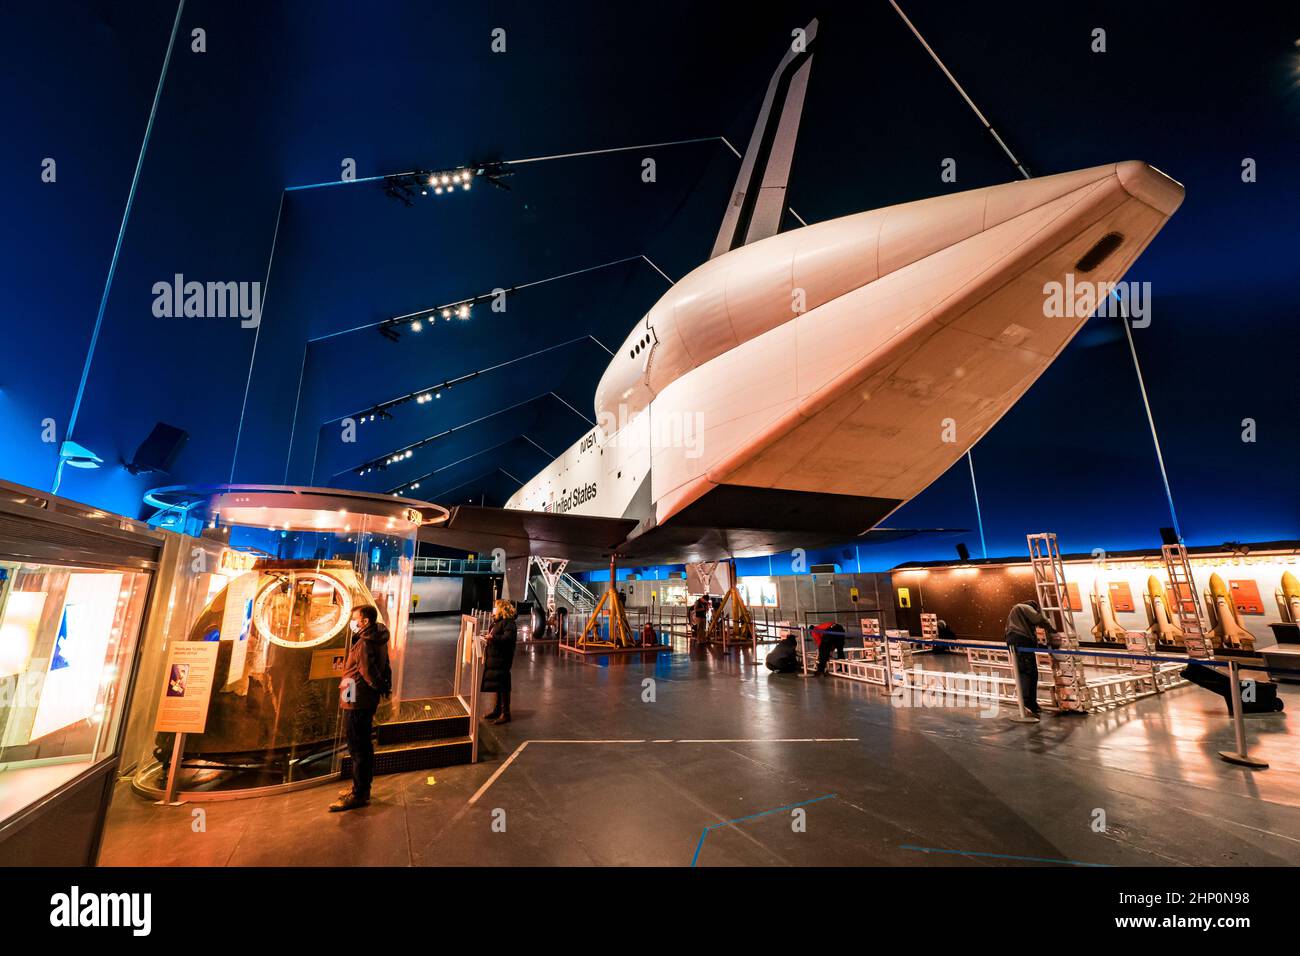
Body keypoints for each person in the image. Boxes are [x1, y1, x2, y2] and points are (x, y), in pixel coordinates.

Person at [331, 605, 391, 812]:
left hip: (357, 698)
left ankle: (359, 793)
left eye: (354, 618)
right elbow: (385, 666)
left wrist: (377, 687)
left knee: (358, 747)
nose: (352, 621)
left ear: (365, 621)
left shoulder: (365, 643)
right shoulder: (378, 638)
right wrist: (383, 687)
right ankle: (360, 787)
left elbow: (367, 672)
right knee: (362, 745)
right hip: (360, 697)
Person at [1005, 598, 1056, 719]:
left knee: (1030, 671)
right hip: (1021, 643)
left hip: (1017, 643)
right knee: (1028, 672)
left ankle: (1031, 703)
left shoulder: (1016, 613)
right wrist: (1051, 629)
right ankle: (1028, 703)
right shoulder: (1023, 607)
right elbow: (1039, 619)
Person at [482, 599, 518, 724]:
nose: (494, 609)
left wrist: (493, 637)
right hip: (495, 657)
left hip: (503, 658)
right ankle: (497, 710)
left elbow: (509, 638)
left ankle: (505, 713)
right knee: (498, 683)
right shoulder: (497, 622)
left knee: (503, 684)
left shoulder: (509, 623)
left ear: (502, 608)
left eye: (496, 607)